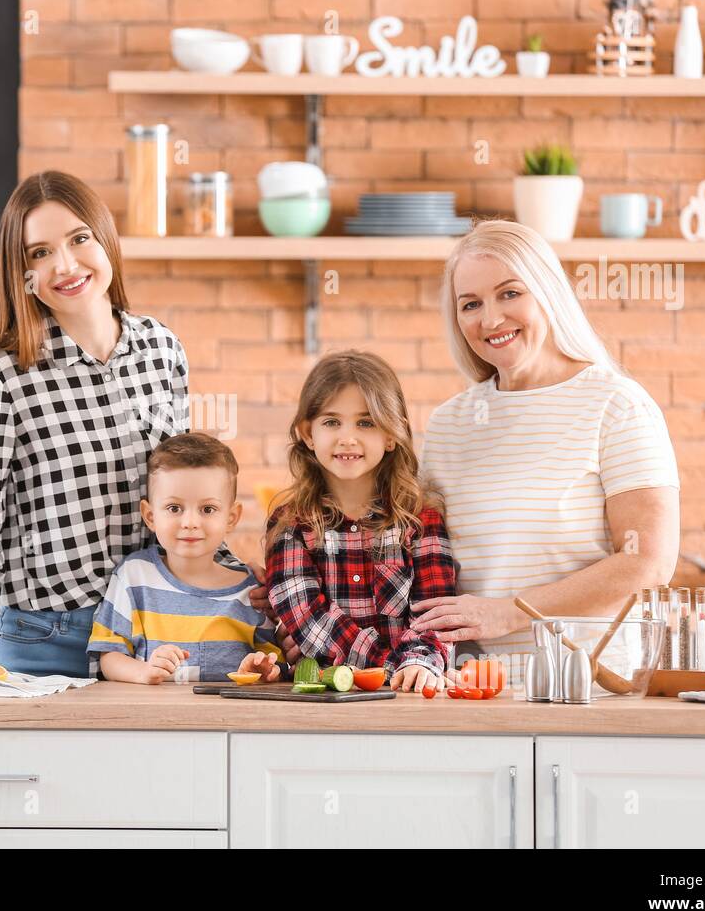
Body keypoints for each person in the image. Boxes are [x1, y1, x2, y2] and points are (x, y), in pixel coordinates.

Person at [0, 171, 249, 677]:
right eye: (39, 253)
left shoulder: (161, 349)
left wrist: (234, 584)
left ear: (105, 238)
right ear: (22, 274)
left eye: (79, 238)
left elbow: (187, 489)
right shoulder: (1, 374)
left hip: (150, 636)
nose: (65, 265)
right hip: (43, 643)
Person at [412, 220, 679, 685]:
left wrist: (510, 613)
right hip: (471, 690)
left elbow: (648, 563)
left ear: (547, 292)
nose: (490, 319)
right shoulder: (449, 423)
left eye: (510, 293)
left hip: (587, 688)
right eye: (470, 304)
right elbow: (418, 553)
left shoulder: (615, 405)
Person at [265, 351, 454, 694]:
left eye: (366, 422)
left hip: (409, 696)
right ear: (308, 434)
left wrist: (420, 661)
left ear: (391, 434)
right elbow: (309, 623)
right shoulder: (290, 526)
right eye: (331, 421)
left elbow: (436, 614)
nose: (347, 438)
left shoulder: (421, 519)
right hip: (325, 699)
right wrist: (396, 666)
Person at [88, 434, 284, 684]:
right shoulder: (134, 576)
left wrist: (262, 669)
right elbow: (110, 656)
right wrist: (144, 671)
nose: (190, 523)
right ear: (150, 516)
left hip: (229, 720)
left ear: (231, 518)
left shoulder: (252, 591)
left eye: (207, 509)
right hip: (157, 720)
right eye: (174, 508)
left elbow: (272, 663)